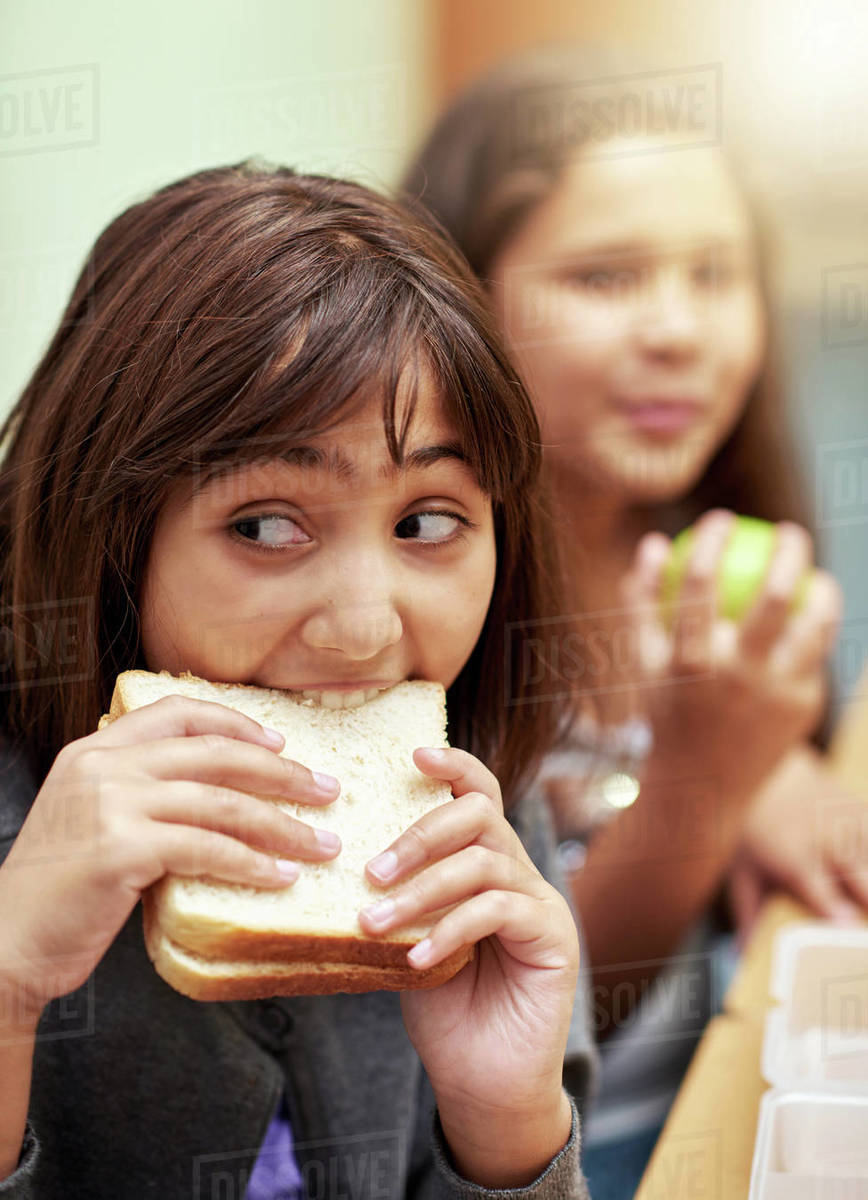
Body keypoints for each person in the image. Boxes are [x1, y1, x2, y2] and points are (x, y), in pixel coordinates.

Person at [0, 161, 597, 1197]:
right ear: (108, 544)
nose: (364, 628)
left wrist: (504, 1114)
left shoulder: (477, 826)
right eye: (265, 526)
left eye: (426, 522)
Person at [402, 45, 856, 1194]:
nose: (677, 330)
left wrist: (768, 772)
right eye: (605, 278)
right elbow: (512, 1020)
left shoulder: (713, 551)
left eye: (714, 274)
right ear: (462, 294)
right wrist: (714, 778)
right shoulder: (418, 606)